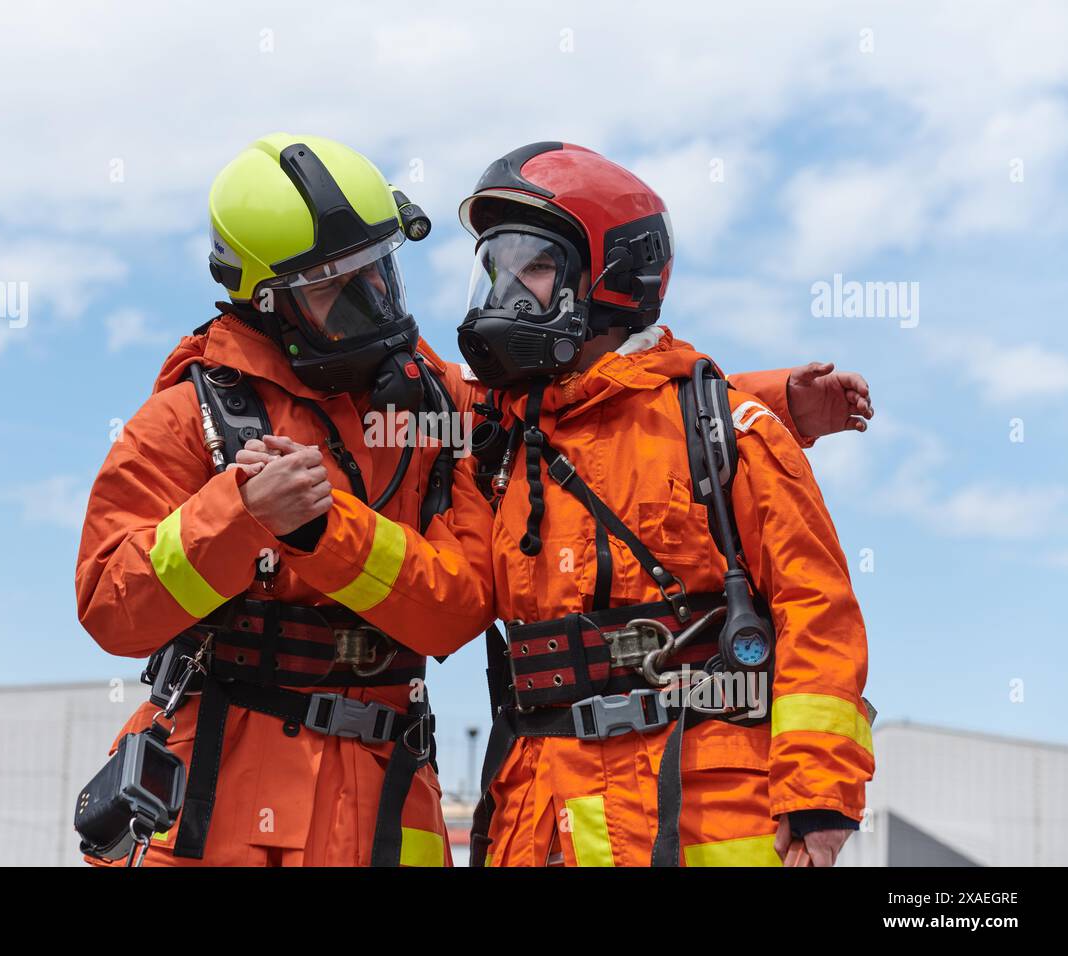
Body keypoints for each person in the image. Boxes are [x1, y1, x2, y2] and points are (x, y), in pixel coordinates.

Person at [76, 133, 869, 867]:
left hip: (402, 794)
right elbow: (111, 605)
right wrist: (239, 514)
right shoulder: (190, 419)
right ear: (270, 303)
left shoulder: (435, 403)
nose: (378, 306)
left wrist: (765, 405)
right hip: (225, 790)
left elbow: (600, 413)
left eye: (380, 272)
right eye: (339, 292)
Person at [456, 142, 874, 867]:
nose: (508, 294)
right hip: (538, 815)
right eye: (497, 270)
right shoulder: (500, 435)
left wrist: (818, 798)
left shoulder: (728, 433)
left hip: (702, 819)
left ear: (614, 279)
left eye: (537, 268)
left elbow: (818, 611)